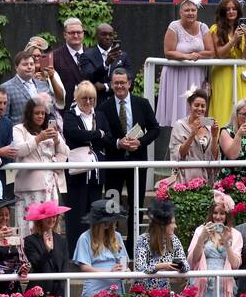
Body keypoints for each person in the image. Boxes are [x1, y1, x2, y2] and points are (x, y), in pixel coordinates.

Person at [100, 67, 159, 225]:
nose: (119, 86)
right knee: (111, 206)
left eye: (122, 83)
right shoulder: (104, 107)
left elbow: (155, 129)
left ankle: (134, 244)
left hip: (137, 162)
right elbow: (102, 136)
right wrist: (118, 143)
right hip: (114, 163)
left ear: (129, 84)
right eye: (116, 83)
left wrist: (140, 142)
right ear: (111, 85)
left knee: (136, 205)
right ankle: (111, 242)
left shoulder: (142, 104)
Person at [62, 81, 110, 250]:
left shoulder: (101, 115)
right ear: (77, 98)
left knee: (95, 212)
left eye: (91, 98)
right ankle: (75, 251)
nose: (88, 102)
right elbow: (74, 133)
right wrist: (97, 134)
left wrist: (91, 136)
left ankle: (94, 249)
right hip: (77, 173)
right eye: (84, 98)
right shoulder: (70, 115)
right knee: (76, 213)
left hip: (96, 173)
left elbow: (108, 137)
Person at [12, 95, 68, 232]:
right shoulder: (19, 129)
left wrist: (57, 141)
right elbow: (19, 150)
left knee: (51, 224)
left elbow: (65, 153)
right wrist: (38, 139)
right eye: (37, 113)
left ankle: (49, 251)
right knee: (30, 226)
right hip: (30, 186)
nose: (40, 116)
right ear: (29, 114)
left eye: (43, 113)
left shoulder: (51, 130)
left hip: (50, 184)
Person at [187, 191, 244, 297]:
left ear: (227, 215)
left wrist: (227, 243)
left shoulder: (236, 234)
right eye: (215, 213)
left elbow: (235, 265)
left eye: (222, 213)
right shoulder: (201, 230)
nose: (218, 217)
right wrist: (202, 238)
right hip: (203, 282)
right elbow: (192, 260)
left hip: (224, 285)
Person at [208, 0, 246, 124]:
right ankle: (219, 139)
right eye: (227, 9)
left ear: (238, 11)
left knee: (242, 105)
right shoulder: (215, 29)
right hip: (222, 73)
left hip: (241, 73)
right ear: (223, 12)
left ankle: (243, 139)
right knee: (222, 105)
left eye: (234, 9)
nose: (231, 12)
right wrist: (233, 40)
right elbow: (220, 54)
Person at [74, 200, 130, 297]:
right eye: (105, 220)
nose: (108, 223)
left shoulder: (117, 236)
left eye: (111, 220)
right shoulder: (85, 237)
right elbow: (84, 267)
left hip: (116, 290)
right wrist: (109, 273)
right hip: (94, 290)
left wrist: (124, 270)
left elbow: (124, 261)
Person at [23, 200, 71, 297]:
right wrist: (47, 251)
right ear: (40, 219)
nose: (52, 219)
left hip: (59, 292)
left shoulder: (61, 240)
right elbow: (36, 264)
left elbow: (65, 265)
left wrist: (61, 289)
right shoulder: (30, 240)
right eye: (48, 216)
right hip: (39, 292)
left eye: (54, 216)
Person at [134, 200, 188, 292]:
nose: (175, 226)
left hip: (164, 293)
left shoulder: (174, 239)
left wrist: (180, 267)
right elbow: (140, 268)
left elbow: (186, 264)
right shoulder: (143, 239)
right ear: (162, 225)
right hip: (143, 294)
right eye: (172, 223)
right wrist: (160, 266)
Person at [169, 88, 218, 186]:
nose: (200, 109)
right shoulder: (179, 125)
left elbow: (215, 156)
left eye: (203, 106)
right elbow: (178, 154)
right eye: (196, 105)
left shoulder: (209, 127)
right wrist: (192, 135)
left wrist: (215, 136)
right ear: (190, 106)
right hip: (185, 179)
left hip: (206, 180)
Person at [52, 17, 98, 105]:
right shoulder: (54, 57)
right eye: (72, 33)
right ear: (65, 35)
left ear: (83, 34)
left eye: (79, 32)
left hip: (90, 108)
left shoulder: (94, 55)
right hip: (65, 110)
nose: (76, 36)